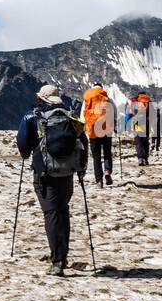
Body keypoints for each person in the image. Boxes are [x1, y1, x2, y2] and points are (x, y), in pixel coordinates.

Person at [17, 84, 88, 275]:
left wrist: (28, 153)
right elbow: (84, 141)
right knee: (62, 211)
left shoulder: (32, 116)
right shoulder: (71, 116)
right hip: (67, 172)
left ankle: (57, 261)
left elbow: (23, 145)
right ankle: (62, 256)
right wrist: (81, 169)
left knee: (52, 213)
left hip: (44, 173)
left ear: (41, 98)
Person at [80, 83, 117, 187]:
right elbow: (114, 110)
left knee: (96, 156)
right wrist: (114, 124)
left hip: (93, 130)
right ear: (101, 87)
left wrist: (85, 127)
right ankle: (107, 171)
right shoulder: (106, 96)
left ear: (93, 88)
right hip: (106, 128)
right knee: (107, 152)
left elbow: (83, 114)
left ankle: (98, 180)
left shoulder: (87, 97)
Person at [127, 91, 152, 166]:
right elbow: (153, 114)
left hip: (137, 122)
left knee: (138, 141)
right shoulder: (149, 101)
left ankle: (141, 158)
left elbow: (129, 113)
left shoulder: (135, 102)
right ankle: (146, 159)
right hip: (146, 122)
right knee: (145, 141)